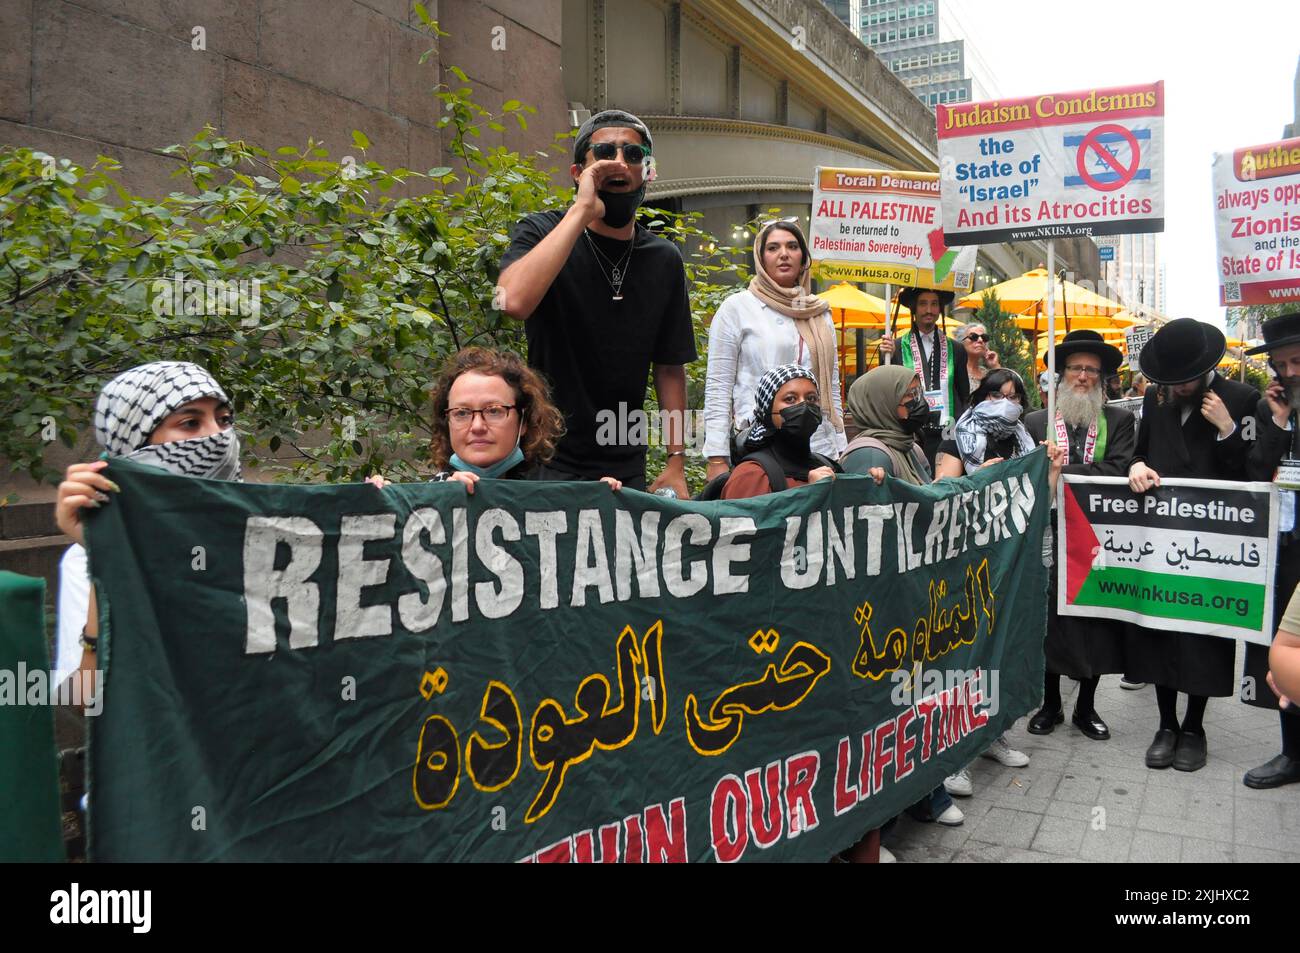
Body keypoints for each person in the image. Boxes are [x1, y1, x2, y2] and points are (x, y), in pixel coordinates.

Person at [497, 108, 696, 495]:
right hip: (547, 457)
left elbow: (670, 368)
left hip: (625, 463)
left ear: (648, 172)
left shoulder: (664, 258)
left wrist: (675, 461)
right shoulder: (541, 231)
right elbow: (511, 301)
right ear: (578, 173)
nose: (619, 162)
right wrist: (582, 210)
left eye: (634, 155)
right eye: (605, 153)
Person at [54, 362, 243, 704]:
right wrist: (107, 558)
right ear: (136, 440)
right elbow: (85, 702)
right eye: (190, 422)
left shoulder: (260, 533)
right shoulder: (84, 560)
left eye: (224, 419)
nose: (217, 435)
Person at [1126, 318, 1260, 772]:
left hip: (1212, 544)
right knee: (1160, 628)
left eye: (1183, 379)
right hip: (1161, 539)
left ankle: (1195, 727)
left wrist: (1226, 429)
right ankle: (1166, 724)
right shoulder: (1154, 396)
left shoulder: (1241, 399)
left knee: (1203, 634)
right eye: (1169, 381)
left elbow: (1253, 476)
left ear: (1204, 369)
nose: (1176, 388)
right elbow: (1140, 450)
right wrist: (1137, 466)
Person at [839, 365, 963, 829]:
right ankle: (877, 825)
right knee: (887, 705)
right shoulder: (867, 453)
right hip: (880, 605)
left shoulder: (906, 445)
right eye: (909, 395)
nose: (920, 402)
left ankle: (923, 791)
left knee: (916, 697)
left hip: (912, 595)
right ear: (881, 401)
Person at [1025, 330, 1136, 743]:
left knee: (1095, 623)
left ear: (1102, 378)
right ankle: (1049, 704)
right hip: (1050, 533)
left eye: (1092, 370)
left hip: (1099, 537)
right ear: (1062, 374)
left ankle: (1086, 707)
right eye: (1076, 368)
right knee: (1050, 620)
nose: (1084, 376)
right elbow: (1025, 476)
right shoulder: (1035, 422)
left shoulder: (1121, 421)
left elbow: (1119, 471)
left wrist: (1059, 471)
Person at [703, 221, 846, 479]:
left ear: (803, 258)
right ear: (760, 257)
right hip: (762, 446)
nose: (784, 254)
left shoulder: (819, 311)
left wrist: (840, 445)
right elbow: (718, 386)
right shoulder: (737, 308)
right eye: (773, 247)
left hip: (818, 446)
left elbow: (831, 387)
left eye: (792, 246)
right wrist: (716, 457)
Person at [426, 347, 622, 492]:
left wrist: (600, 503)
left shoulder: (557, 495)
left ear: (524, 422)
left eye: (494, 411)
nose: (477, 426)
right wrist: (439, 499)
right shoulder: (420, 501)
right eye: (461, 413)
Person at [1241, 312, 1300, 788]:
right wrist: (1279, 422)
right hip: (1285, 545)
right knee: (1286, 652)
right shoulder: (1272, 408)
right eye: (1281, 364)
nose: (1290, 372)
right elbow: (1258, 470)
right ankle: (1292, 752)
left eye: (1297, 360)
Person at [879, 287, 970, 468]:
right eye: (923, 304)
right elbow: (887, 390)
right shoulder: (896, 347)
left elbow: (964, 394)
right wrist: (885, 358)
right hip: (911, 434)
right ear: (914, 308)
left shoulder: (957, 349)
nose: (929, 310)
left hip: (948, 433)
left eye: (934, 304)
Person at [720, 365, 837, 500]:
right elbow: (750, 520)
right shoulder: (751, 475)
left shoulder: (828, 466)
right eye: (790, 399)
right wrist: (809, 493)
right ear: (767, 410)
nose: (804, 406)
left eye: (811, 399)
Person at [934, 369, 1035, 480]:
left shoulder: (1024, 437)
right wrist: (978, 477)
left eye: (1013, 397)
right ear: (983, 397)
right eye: (996, 395)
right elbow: (943, 491)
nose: (1005, 403)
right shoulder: (956, 439)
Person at [955, 322, 1001, 392]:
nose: (980, 340)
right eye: (973, 337)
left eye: (984, 337)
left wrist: (995, 366)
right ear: (961, 342)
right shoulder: (954, 371)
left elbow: (1002, 391)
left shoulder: (987, 374)